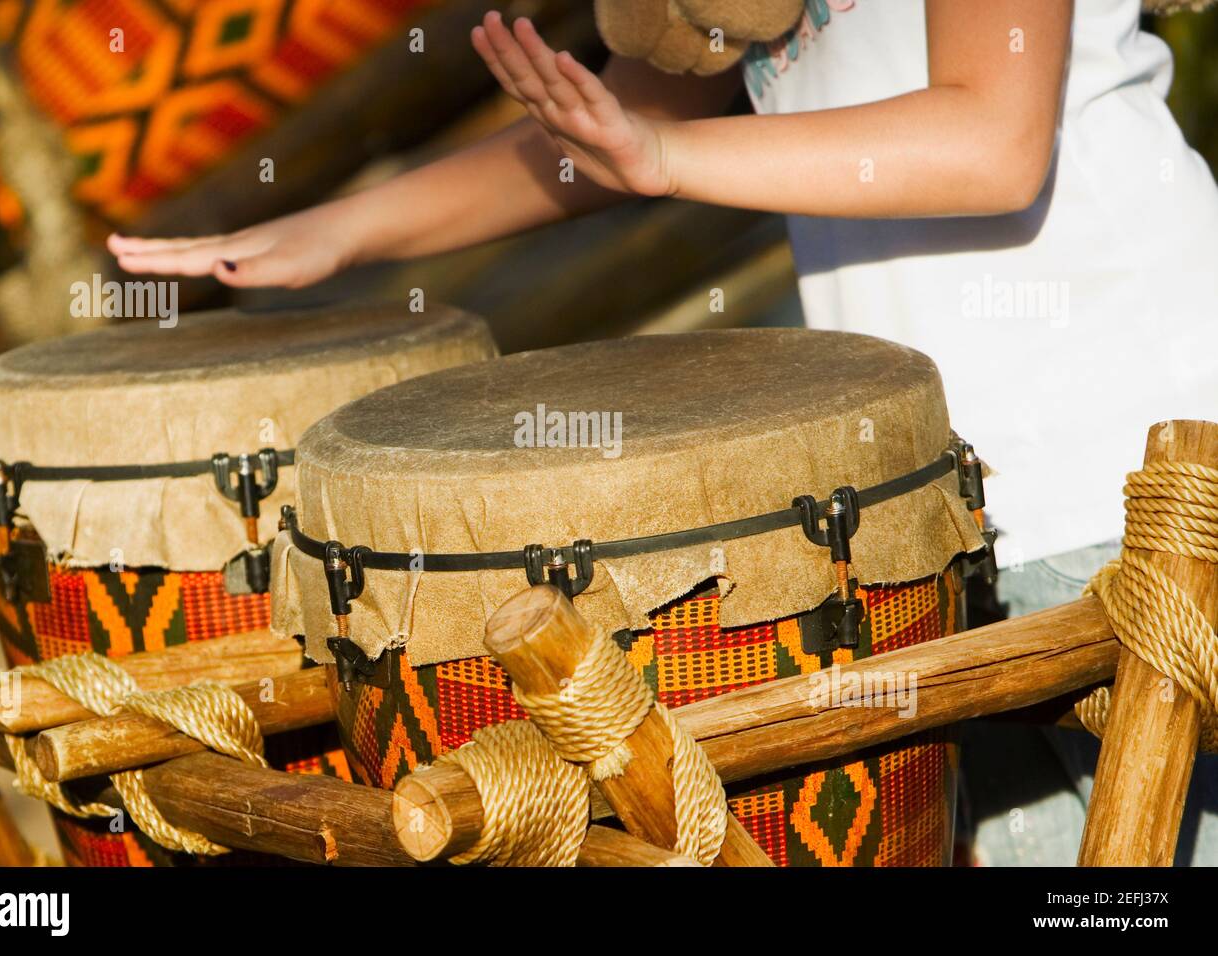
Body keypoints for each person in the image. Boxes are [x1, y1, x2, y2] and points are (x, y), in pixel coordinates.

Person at [110, 2, 1218, 864]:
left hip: (1129, 447)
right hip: (937, 508)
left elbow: (991, 142)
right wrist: (337, 230)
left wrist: (663, 158)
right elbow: (603, 138)